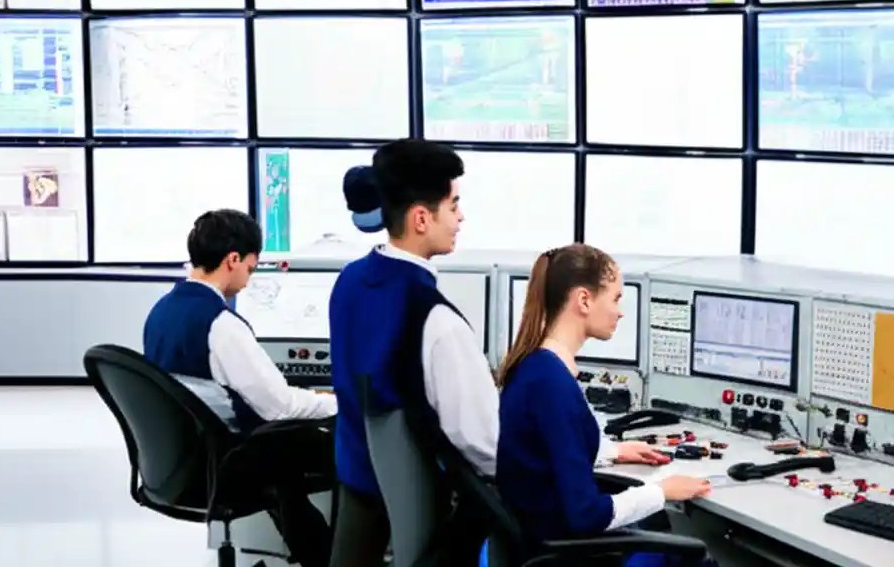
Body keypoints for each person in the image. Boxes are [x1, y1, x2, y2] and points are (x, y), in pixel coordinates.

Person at [328, 139, 496, 567]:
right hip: (422, 506)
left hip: (360, 480)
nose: (461, 217)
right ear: (422, 218)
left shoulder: (349, 281)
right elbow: (483, 446)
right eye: (454, 205)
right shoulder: (435, 320)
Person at [142, 208, 337, 567]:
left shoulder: (160, 311)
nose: (249, 279)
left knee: (285, 468)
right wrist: (336, 403)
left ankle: (316, 553)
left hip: (185, 457)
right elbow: (279, 408)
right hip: (226, 461)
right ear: (232, 260)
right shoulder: (221, 324)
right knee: (329, 441)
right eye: (250, 267)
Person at [495, 244, 712, 550]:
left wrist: (610, 451)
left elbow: (544, 452)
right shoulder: (552, 384)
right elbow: (585, 515)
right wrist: (662, 491)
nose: (620, 311)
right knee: (693, 550)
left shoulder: (534, 367)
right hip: (566, 550)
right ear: (584, 300)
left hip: (542, 537)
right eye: (616, 298)